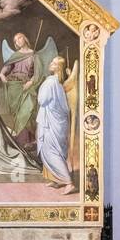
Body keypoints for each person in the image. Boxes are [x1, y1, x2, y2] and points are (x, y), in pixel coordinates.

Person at [36, 56, 77, 194]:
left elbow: (42, 100)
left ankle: (68, 182)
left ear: (58, 68)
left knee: (50, 151)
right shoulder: (58, 83)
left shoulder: (51, 82)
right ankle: (56, 179)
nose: (50, 64)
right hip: (56, 122)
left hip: (51, 123)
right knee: (54, 150)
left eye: (54, 63)